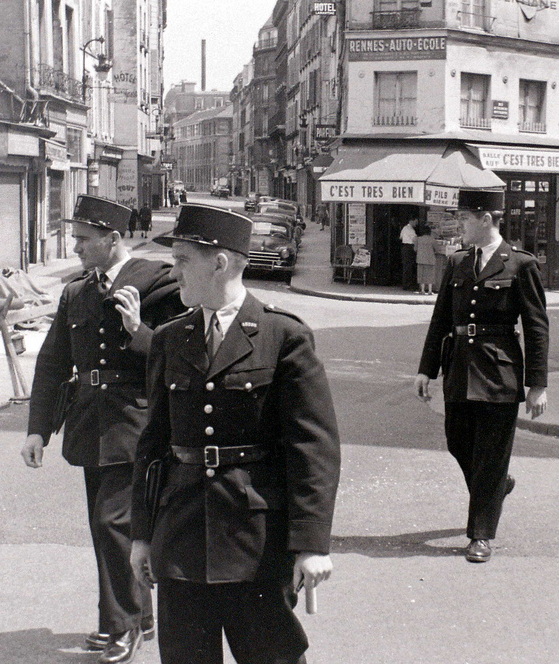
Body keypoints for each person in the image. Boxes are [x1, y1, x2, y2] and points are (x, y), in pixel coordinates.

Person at [129, 204, 341, 664]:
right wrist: (142, 535)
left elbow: (313, 448)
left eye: (184, 260)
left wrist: (311, 544)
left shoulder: (282, 335)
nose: (175, 272)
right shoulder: (168, 337)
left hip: (255, 543)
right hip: (180, 536)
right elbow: (152, 446)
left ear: (219, 262)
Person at [22, 194, 187, 664]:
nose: (74, 247)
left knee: (113, 522)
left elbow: (181, 359)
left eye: (83, 239)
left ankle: (124, 626)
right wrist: (38, 430)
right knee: (108, 529)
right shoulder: (78, 291)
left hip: (136, 423)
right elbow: (53, 362)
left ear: (113, 239)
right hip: (90, 422)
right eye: (74, 238)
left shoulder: (159, 285)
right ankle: (134, 617)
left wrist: (138, 331)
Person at [413, 190, 549, 563]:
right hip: (459, 366)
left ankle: (480, 536)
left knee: (491, 453)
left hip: (499, 371)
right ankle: (496, 486)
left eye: (465, 219)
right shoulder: (458, 262)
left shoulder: (520, 264)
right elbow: (441, 318)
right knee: (457, 441)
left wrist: (537, 385)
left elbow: (537, 327)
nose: (460, 225)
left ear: (485, 219)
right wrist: (426, 369)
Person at [415, 222, 436, 295]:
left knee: (421, 275)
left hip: (420, 259)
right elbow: (436, 249)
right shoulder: (432, 239)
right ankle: (430, 290)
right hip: (430, 259)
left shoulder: (418, 239)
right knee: (430, 275)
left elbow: (415, 249)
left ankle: (422, 290)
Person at [399, 218, 417, 291]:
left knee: (406, 266)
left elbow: (400, 237)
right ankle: (408, 285)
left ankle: (405, 284)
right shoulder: (410, 230)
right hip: (409, 247)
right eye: (416, 222)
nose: (416, 224)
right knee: (409, 266)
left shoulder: (404, 228)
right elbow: (415, 240)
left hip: (404, 247)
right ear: (411, 221)